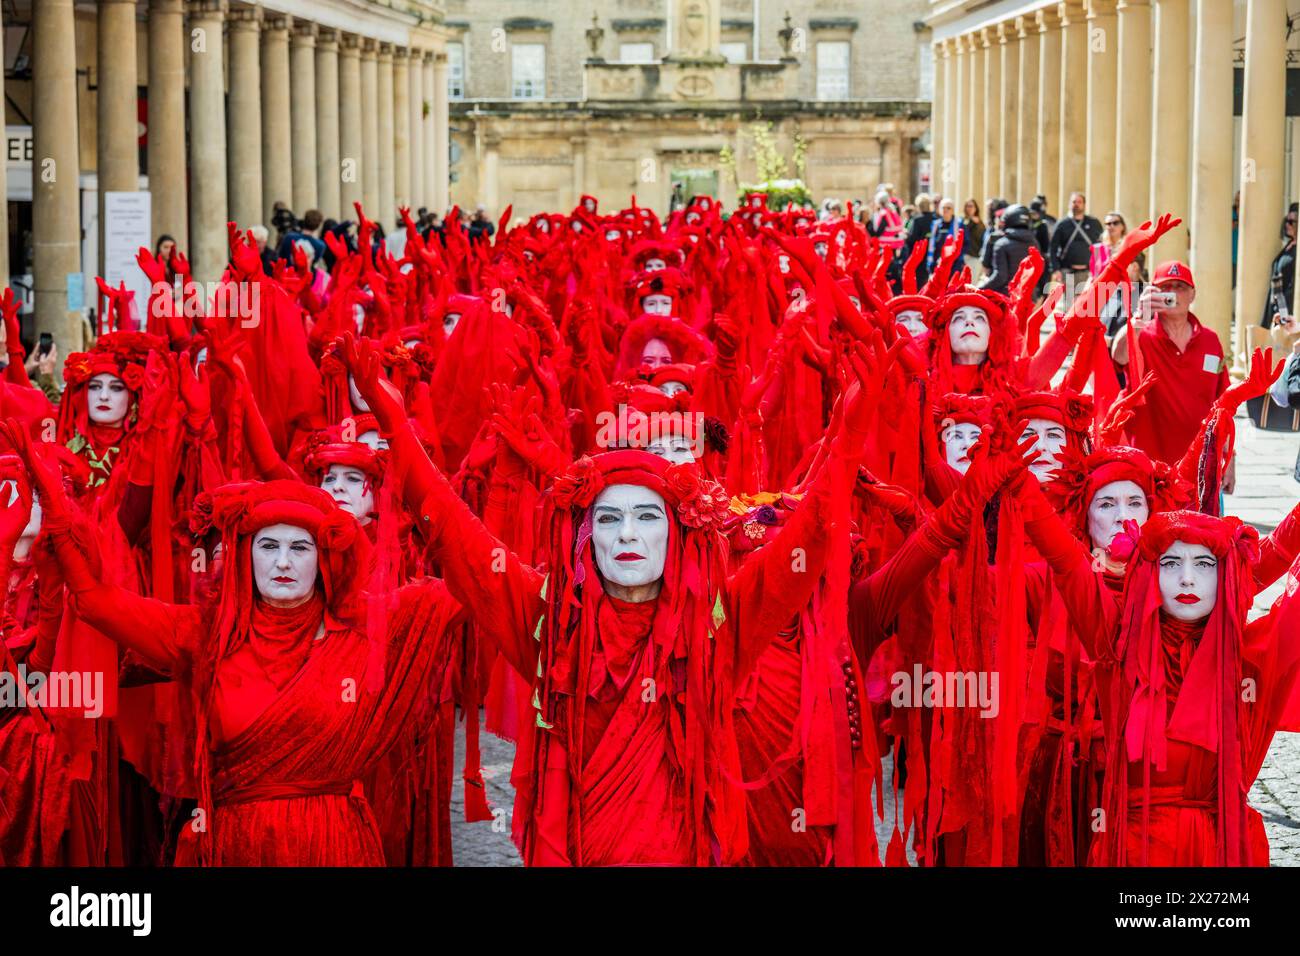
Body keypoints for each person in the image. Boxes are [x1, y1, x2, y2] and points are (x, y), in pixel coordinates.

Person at [1110, 260, 1232, 486]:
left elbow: (1222, 403)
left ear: (1192, 294)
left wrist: (1229, 458)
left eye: (1180, 287)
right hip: (1150, 470)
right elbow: (1119, 356)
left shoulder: (1210, 340)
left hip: (1200, 469)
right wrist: (1138, 318)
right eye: (1165, 288)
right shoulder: (1141, 335)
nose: (1172, 293)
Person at [1090, 211, 1145, 337]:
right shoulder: (1099, 249)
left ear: (1123, 226)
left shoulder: (1129, 247)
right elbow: (1093, 274)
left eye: (1115, 223)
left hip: (1126, 290)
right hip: (1105, 292)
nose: (1111, 226)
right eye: (1108, 223)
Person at [1048, 193, 1103, 307]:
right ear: (1069, 204)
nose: (1076, 205)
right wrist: (1056, 269)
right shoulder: (1062, 224)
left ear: (1084, 204)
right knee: (1069, 307)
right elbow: (1053, 248)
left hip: (1088, 273)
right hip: (1068, 272)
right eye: (1074, 202)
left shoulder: (1094, 223)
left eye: (1079, 202)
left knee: (1087, 306)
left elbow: (1101, 246)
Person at [978, 203, 1034, 295]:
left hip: (1006, 297)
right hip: (1028, 296)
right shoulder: (1035, 243)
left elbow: (1000, 276)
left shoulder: (1001, 244)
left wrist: (980, 289)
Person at [1260, 203, 1297, 330]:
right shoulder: (1290, 245)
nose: (1288, 224)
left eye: (1292, 221)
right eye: (1287, 220)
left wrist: (1283, 311)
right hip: (1276, 304)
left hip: (1287, 308)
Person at [959, 198, 986, 274]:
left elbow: (981, 239)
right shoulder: (961, 221)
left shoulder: (980, 223)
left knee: (971, 282)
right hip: (962, 256)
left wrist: (975, 222)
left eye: (971, 206)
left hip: (974, 256)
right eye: (967, 206)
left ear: (975, 208)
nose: (969, 208)